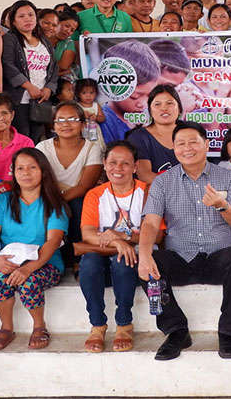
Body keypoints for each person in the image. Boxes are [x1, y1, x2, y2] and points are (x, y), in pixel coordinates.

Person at [135, 122, 231, 361]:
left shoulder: (229, 178)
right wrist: (144, 255)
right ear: (174, 148)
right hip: (181, 259)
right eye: (180, 144)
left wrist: (221, 205)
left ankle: (228, 331)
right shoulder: (163, 182)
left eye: (193, 142)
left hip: (218, 260)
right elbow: (150, 224)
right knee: (149, 259)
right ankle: (176, 331)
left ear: (206, 145)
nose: (187, 148)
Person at [0, 147, 68, 351]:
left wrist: (28, 268)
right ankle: (6, 327)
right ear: (13, 172)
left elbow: (53, 242)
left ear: (43, 171)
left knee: (29, 281)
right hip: (9, 260)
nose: (26, 173)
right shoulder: (4, 200)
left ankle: (39, 326)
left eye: (32, 168)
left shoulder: (54, 203)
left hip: (45, 263)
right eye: (20, 168)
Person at [77, 140, 146, 353]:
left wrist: (125, 238)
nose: (118, 168)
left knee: (123, 262)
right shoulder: (95, 194)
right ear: (104, 164)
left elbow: (157, 233)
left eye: (125, 163)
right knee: (88, 264)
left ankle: (124, 324)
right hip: (102, 253)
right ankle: (98, 325)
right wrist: (116, 241)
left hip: (134, 259)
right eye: (113, 162)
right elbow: (87, 233)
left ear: (135, 167)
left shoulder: (147, 191)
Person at [38, 102, 104, 264]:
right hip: (46, 195)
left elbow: (85, 186)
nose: (65, 124)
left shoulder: (92, 148)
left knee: (77, 205)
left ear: (82, 124)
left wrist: (57, 201)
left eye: (73, 119)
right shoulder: (42, 147)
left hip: (76, 196)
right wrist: (50, 200)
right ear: (53, 125)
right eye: (60, 120)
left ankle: (77, 261)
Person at [1, 0, 59, 143]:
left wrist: (49, 88)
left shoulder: (44, 41)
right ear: (13, 21)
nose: (27, 19)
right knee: (21, 138)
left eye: (31, 15)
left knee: (36, 139)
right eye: (21, 16)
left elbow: (53, 68)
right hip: (19, 99)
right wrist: (28, 86)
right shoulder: (10, 38)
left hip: (41, 99)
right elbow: (7, 64)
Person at [129, 85, 184, 184]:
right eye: (157, 104)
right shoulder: (138, 137)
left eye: (170, 103)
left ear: (179, 108)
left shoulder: (190, 133)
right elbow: (145, 175)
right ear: (150, 110)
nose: (164, 108)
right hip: (154, 195)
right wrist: (180, 188)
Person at [75, 78, 106, 145]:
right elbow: (74, 119)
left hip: (94, 132)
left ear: (96, 93)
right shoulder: (77, 106)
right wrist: (82, 116)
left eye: (91, 93)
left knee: (96, 147)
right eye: (84, 93)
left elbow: (103, 118)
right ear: (78, 94)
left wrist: (96, 117)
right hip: (82, 131)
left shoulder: (96, 105)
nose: (88, 96)